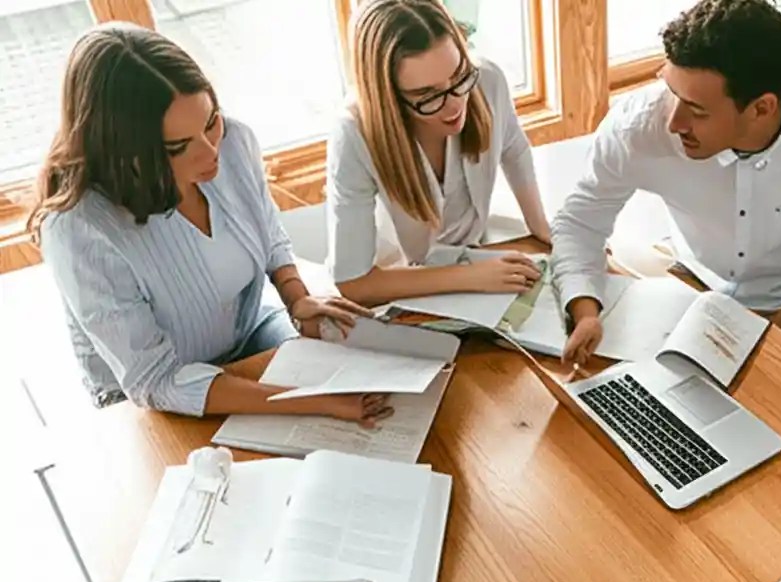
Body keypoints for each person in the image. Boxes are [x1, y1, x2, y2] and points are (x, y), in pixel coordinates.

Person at [31, 23, 390, 427]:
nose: (210, 153)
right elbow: (155, 379)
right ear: (123, 153)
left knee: (360, 373)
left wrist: (296, 295)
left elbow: (268, 234)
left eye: (209, 121)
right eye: (177, 147)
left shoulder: (233, 141)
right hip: (147, 398)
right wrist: (313, 401)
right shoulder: (79, 229)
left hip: (246, 337)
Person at [551, 0, 781, 363]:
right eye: (671, 91)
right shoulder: (637, 127)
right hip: (690, 281)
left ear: (762, 107)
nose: (673, 122)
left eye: (697, 110)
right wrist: (585, 309)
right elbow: (581, 219)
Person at [327, 0, 549, 307]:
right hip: (401, 279)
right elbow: (354, 282)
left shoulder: (487, 79)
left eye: (459, 76)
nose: (456, 103)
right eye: (427, 95)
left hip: (477, 252)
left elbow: (514, 149)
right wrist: (470, 277)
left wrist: (545, 228)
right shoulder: (353, 134)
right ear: (387, 96)